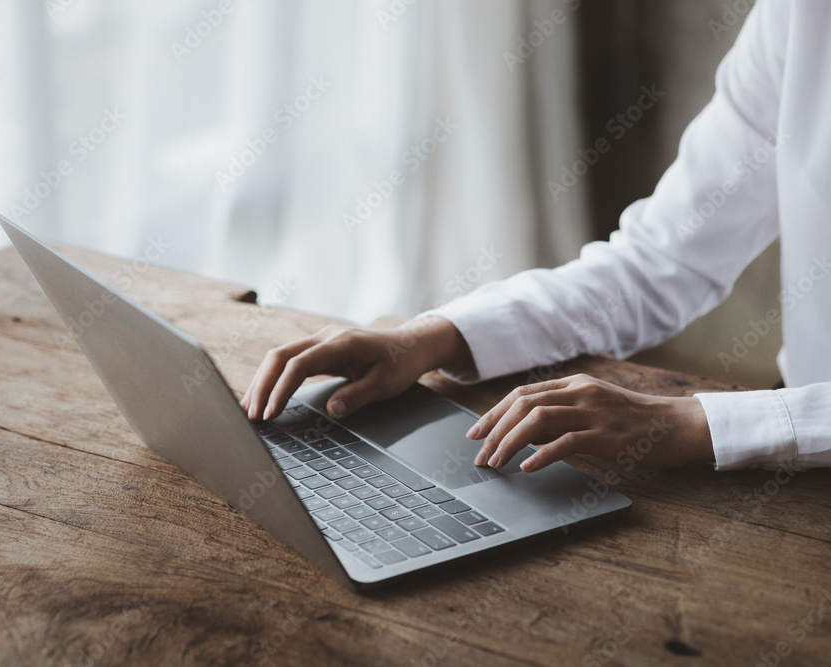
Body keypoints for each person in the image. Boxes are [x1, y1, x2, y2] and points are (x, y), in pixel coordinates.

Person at [240, 0, 831, 473]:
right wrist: (430, 338)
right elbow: (659, 261)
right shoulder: (798, 17)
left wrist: (692, 424)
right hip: (786, 453)